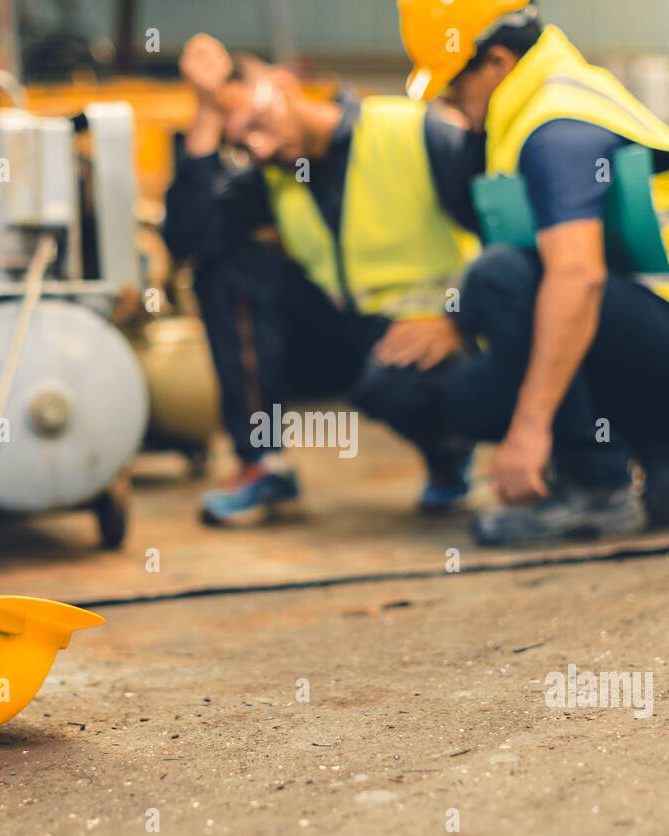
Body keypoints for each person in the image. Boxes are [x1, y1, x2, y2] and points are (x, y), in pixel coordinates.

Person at [396, 0, 669, 545]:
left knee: (500, 277)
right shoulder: (535, 105)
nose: (454, 108)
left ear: (498, 63)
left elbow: (578, 280)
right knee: (471, 394)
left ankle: (594, 488)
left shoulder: (556, 126)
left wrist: (530, 430)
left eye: (454, 89)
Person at [163, 35, 481, 526]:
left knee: (393, 385)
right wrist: (206, 114)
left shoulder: (412, 131)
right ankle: (261, 461)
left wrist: (457, 320)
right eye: (244, 144)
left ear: (285, 84)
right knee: (229, 266)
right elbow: (191, 238)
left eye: (260, 125)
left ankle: (449, 454)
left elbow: (502, 237)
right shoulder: (274, 174)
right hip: (347, 333)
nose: (262, 147)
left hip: (438, 331)